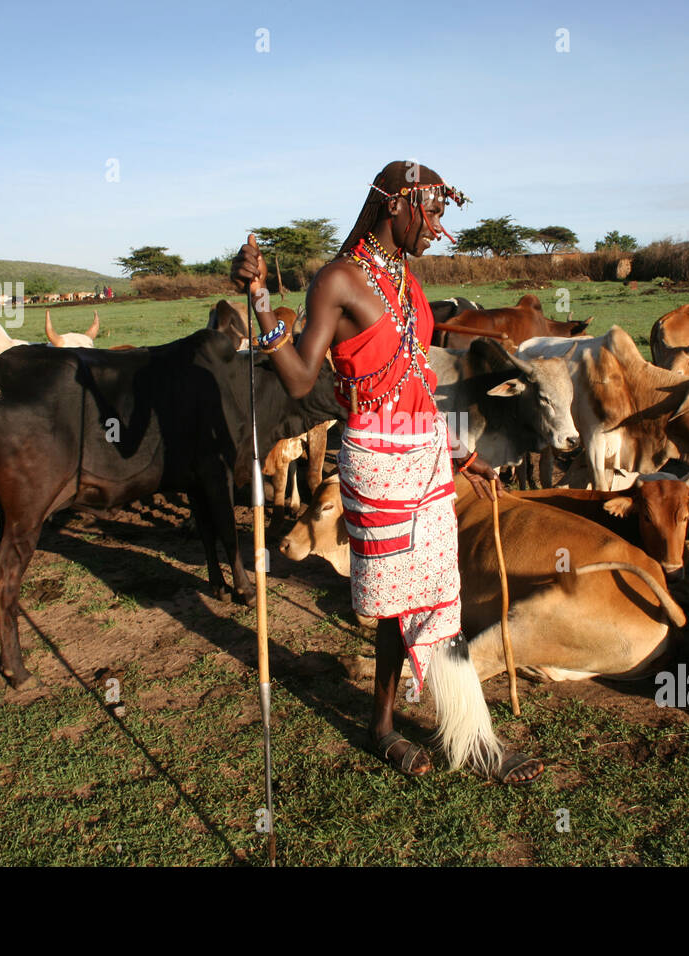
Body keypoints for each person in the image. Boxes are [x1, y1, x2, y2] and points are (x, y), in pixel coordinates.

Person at [230, 161, 543, 784]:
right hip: (377, 462)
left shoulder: (405, 280)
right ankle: (472, 741)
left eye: (440, 215)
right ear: (394, 206)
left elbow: (418, 382)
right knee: (415, 603)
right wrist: (261, 300)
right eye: (428, 212)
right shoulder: (336, 282)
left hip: (423, 453)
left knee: (426, 602)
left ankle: (385, 727)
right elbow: (297, 379)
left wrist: (460, 455)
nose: (436, 227)